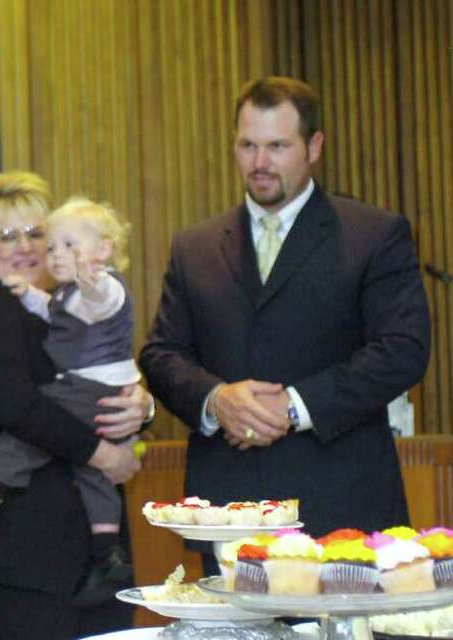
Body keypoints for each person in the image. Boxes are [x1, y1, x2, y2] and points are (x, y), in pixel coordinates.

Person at [138, 76, 431, 575]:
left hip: (342, 508)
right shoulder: (195, 246)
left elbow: (403, 348)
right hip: (231, 515)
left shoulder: (374, 233)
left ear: (313, 147)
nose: (259, 163)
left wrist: (294, 407)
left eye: (277, 146)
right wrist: (216, 400)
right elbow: (161, 354)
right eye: (247, 145)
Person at [0, 171, 155, 639]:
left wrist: (143, 407)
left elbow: (106, 377)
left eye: (37, 233)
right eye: (7, 234)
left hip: (87, 548)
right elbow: (20, 408)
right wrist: (107, 455)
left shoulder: (68, 308)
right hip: (20, 549)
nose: (25, 246)